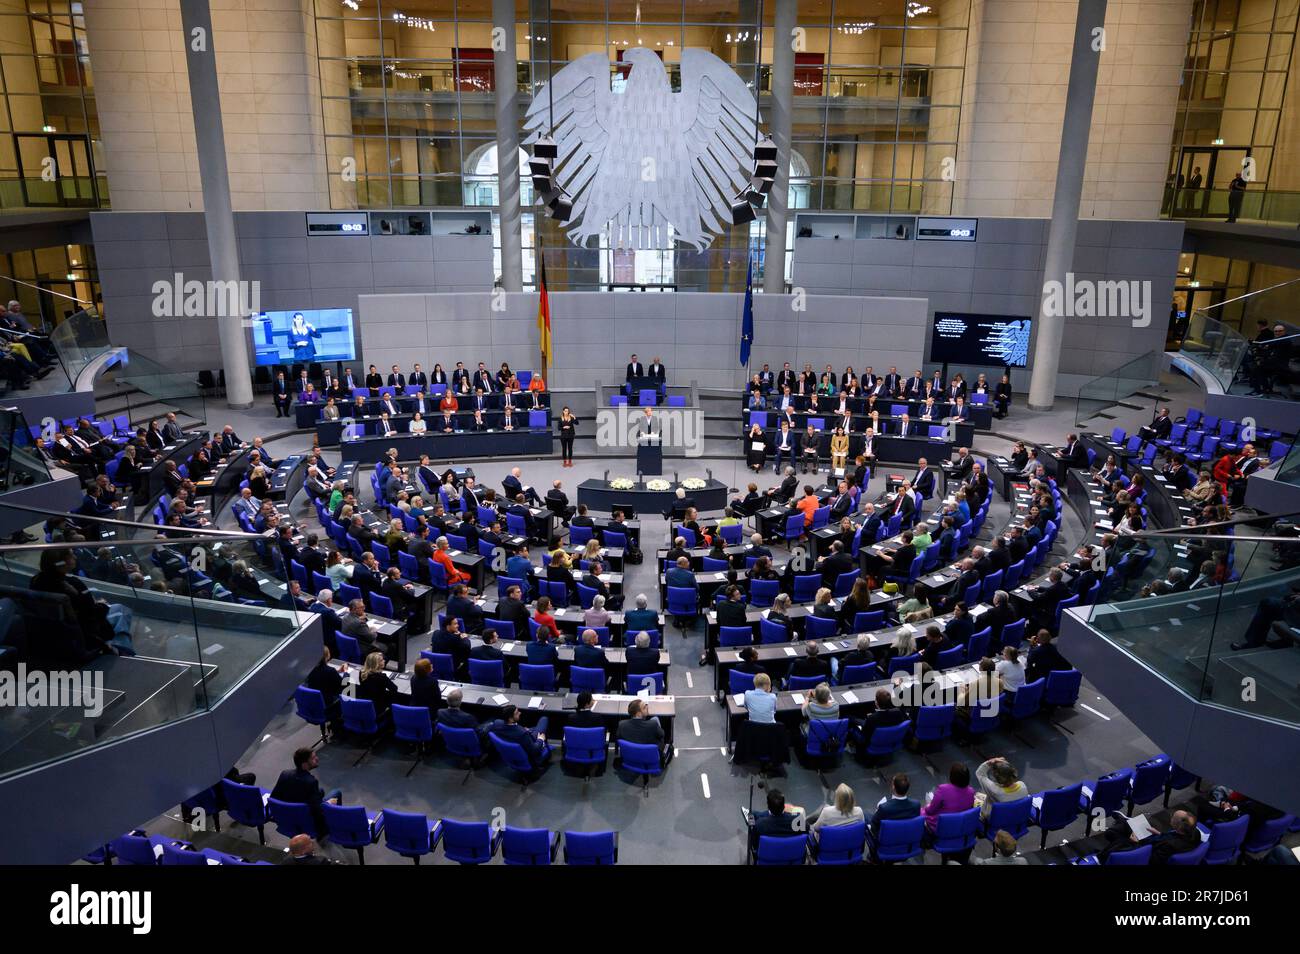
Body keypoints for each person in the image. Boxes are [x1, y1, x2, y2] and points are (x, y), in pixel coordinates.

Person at [270, 747, 342, 832]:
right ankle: (334, 825)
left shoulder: (285, 774)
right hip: (308, 821)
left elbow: (274, 797)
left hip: (287, 818)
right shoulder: (311, 782)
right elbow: (318, 812)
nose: (317, 759)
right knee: (336, 793)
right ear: (304, 764)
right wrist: (327, 803)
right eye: (313, 758)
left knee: (321, 791)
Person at [485, 704, 549, 768]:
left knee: (534, 728)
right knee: (544, 719)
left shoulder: (497, 723)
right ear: (510, 718)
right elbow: (534, 750)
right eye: (517, 713)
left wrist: (523, 729)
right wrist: (540, 739)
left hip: (512, 748)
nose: (520, 713)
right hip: (529, 751)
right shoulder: (522, 734)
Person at [921, 762, 977, 834]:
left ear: (952, 776)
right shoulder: (971, 791)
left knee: (920, 812)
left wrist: (927, 806)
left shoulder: (943, 789)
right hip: (960, 827)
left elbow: (930, 811)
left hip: (941, 828)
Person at [617, 698, 669, 763]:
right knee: (655, 719)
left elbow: (619, 738)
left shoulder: (621, 724)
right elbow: (662, 734)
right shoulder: (653, 724)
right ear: (638, 714)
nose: (647, 707)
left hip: (630, 757)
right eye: (644, 707)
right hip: (649, 758)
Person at [870, 773, 921, 837]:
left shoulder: (884, 807)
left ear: (893, 787)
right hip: (908, 841)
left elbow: (874, 827)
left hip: (888, 842)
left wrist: (877, 811)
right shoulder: (916, 805)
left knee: (867, 816)